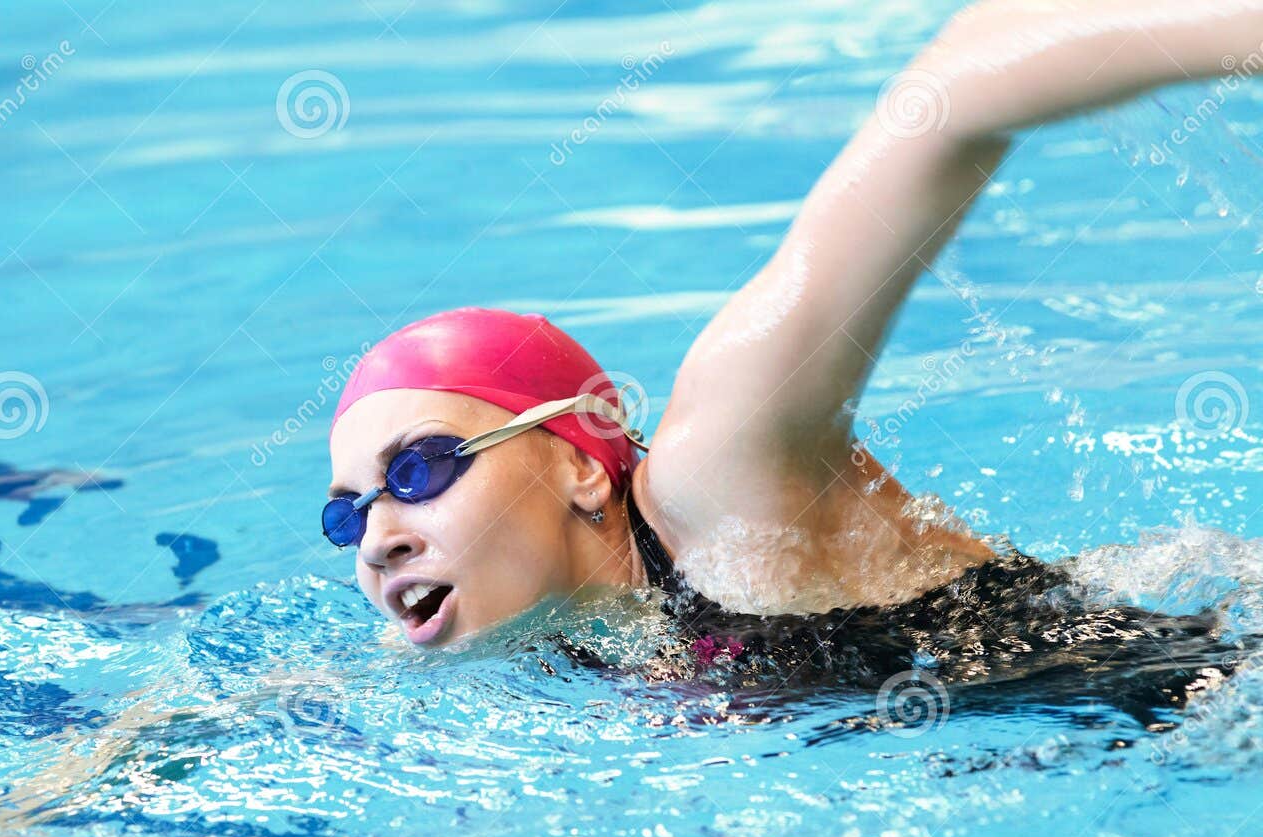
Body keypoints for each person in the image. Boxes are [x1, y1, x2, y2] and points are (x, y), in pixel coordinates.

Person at [325, 0, 1263, 672]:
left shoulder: (718, 469)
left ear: (579, 460)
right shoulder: (518, 617)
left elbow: (955, 86)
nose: (377, 542)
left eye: (419, 469)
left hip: (1186, 680)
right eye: (349, 513)